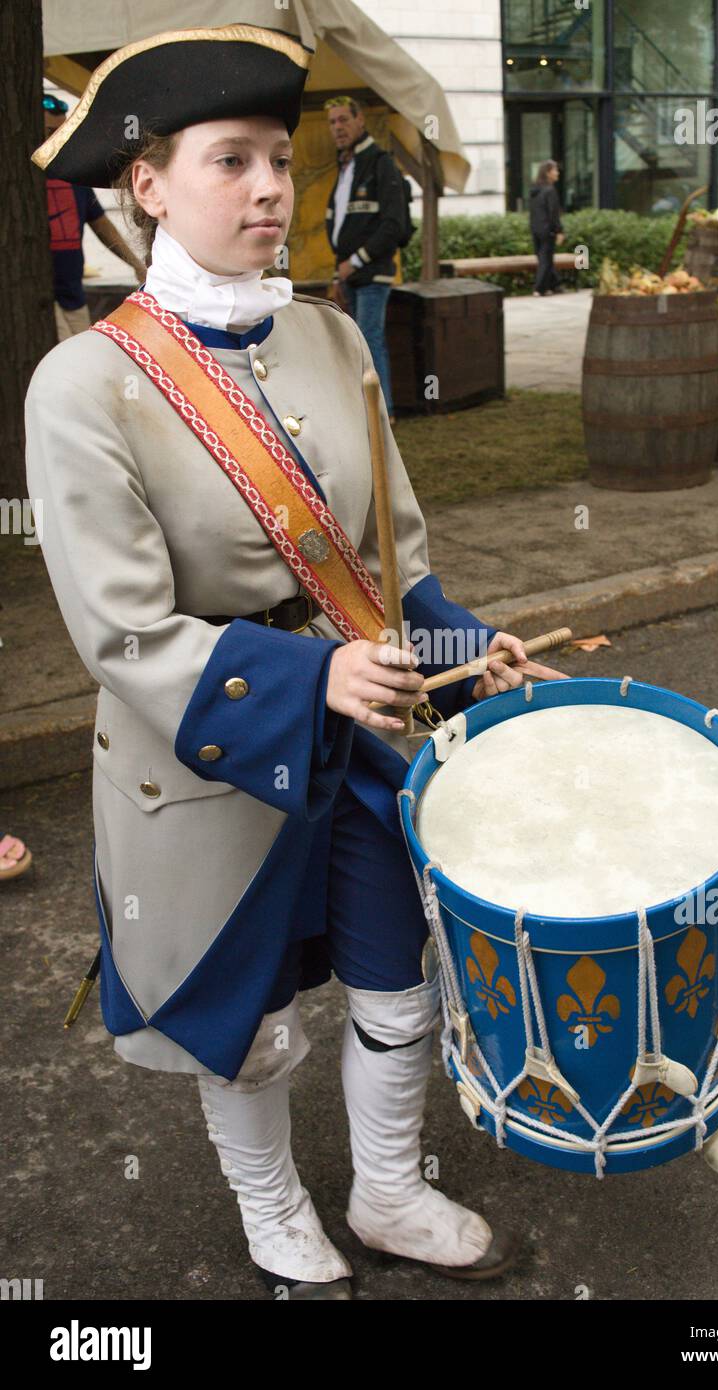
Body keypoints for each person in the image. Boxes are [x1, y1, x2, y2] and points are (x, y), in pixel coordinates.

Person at [26, 24, 565, 1301]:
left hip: (361, 731)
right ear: (147, 185)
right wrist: (301, 681)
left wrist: (459, 641)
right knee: (247, 1020)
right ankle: (273, 1214)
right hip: (206, 753)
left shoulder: (329, 340)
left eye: (281, 159)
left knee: (399, 975)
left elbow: (389, 558)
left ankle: (385, 1191)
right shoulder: (83, 386)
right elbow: (121, 632)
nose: (273, 187)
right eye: (232, 161)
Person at [325, 96, 405, 420]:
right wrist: (338, 274)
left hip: (372, 273)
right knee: (360, 343)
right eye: (332, 122)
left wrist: (354, 262)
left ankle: (383, 415)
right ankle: (368, 412)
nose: (338, 128)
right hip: (351, 274)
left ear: (361, 121)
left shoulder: (380, 162)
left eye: (344, 119)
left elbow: (394, 225)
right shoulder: (345, 165)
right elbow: (345, 227)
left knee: (370, 340)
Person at [42, 94, 147, 340]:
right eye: (49, 131)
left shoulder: (71, 174)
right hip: (41, 298)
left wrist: (136, 264)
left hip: (73, 294)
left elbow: (101, 224)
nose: (56, 138)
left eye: (61, 131)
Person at [529, 160, 565, 297]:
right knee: (546, 260)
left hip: (535, 229)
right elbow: (553, 214)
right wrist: (559, 231)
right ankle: (539, 288)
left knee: (543, 259)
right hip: (547, 230)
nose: (557, 173)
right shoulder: (550, 191)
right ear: (547, 173)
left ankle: (554, 285)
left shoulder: (535, 190)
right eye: (555, 170)